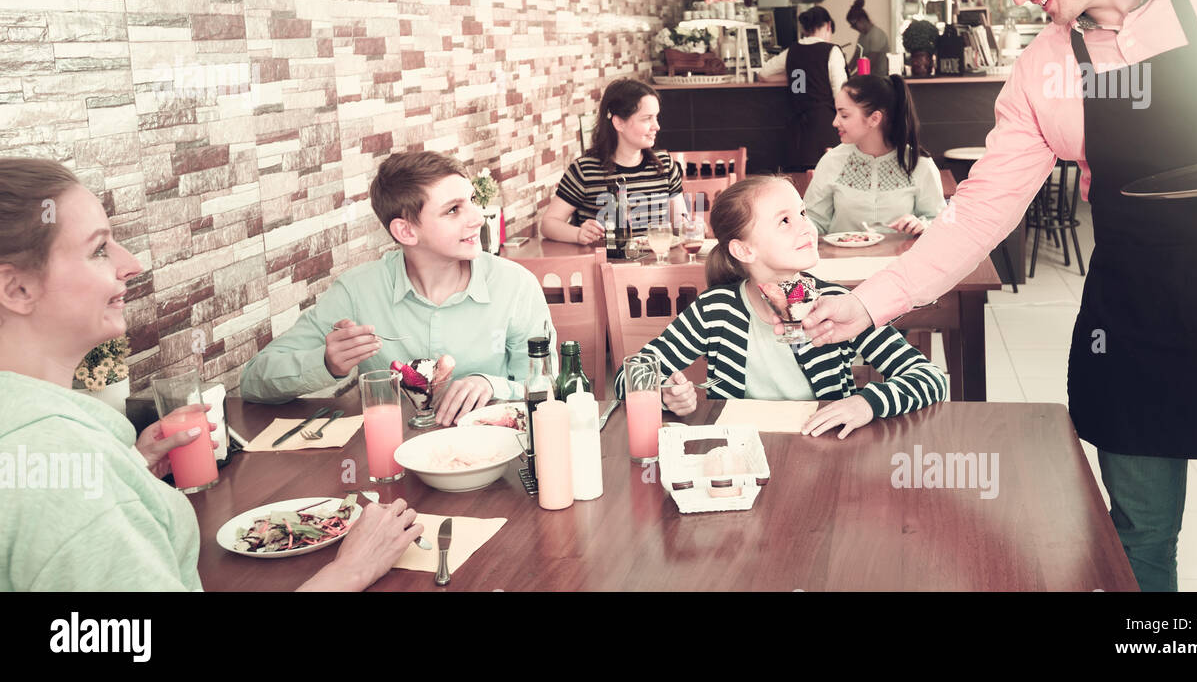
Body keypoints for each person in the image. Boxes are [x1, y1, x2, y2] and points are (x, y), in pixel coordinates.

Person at [795, 0, 1197, 591]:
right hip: (1141, 322)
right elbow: (979, 212)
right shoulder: (1042, 70)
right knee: (1138, 544)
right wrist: (869, 301)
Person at [0, 158, 421, 591]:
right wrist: (350, 570)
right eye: (99, 249)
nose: (131, 265)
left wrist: (130, 471)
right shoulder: (72, 473)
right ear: (17, 290)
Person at [613, 176, 946, 438]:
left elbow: (930, 379)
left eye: (801, 213)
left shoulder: (840, 306)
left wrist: (866, 403)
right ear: (744, 251)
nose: (806, 225)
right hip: (739, 457)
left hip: (828, 451)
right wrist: (663, 390)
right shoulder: (714, 310)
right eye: (784, 221)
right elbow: (629, 375)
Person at [240, 151, 553, 426]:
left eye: (472, 201)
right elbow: (254, 380)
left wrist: (492, 385)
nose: (476, 218)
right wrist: (325, 363)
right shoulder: (356, 292)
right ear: (406, 231)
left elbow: (549, 388)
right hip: (391, 465)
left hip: (493, 465)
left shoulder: (515, 286)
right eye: (453, 210)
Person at [541, 78, 684, 244]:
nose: (657, 126)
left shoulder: (664, 165)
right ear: (619, 123)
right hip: (607, 267)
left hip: (658, 264)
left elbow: (679, 223)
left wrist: (690, 227)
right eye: (647, 119)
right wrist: (578, 233)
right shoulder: (585, 170)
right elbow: (548, 224)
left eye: (656, 117)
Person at [804, 74, 946, 236]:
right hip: (842, 260)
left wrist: (923, 225)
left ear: (874, 118)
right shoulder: (832, 161)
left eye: (844, 115)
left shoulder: (918, 163)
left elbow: (940, 220)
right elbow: (813, 220)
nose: (835, 122)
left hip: (902, 260)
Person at [758, 6, 849, 170]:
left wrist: (795, 76)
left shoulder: (792, 50)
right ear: (828, 26)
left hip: (797, 131)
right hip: (825, 130)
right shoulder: (832, 51)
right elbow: (841, 95)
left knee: (800, 186)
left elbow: (763, 74)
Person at [846, 0, 890, 78]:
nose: (854, 28)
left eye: (854, 25)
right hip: (870, 78)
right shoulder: (862, 36)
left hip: (880, 79)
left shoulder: (876, 35)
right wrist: (846, 73)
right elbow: (856, 57)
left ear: (862, 20)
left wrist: (851, 78)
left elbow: (870, 64)